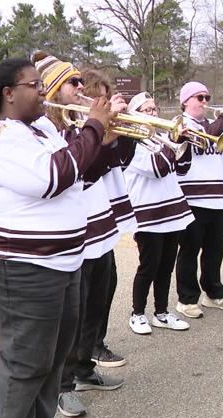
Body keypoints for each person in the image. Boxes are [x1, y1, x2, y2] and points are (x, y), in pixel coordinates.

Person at [0, 57, 119, 418]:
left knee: (52, 361)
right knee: (24, 366)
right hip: (22, 272)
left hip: (61, 267)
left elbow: (77, 177)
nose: (42, 91)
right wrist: (94, 127)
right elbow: (52, 177)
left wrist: (108, 141)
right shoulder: (0, 137)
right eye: (33, 85)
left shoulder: (40, 130)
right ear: (9, 94)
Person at [32, 52, 127, 418]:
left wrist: (111, 139)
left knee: (98, 303)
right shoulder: (52, 131)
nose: (80, 88)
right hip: (74, 234)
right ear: (56, 88)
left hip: (100, 227)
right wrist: (97, 135)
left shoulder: (80, 126)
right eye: (73, 83)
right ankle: (64, 384)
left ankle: (85, 367)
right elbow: (69, 174)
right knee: (73, 312)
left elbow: (97, 172)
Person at [124, 92, 195, 334]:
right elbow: (157, 168)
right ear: (135, 115)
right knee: (149, 266)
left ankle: (162, 312)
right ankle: (137, 313)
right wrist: (172, 143)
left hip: (172, 211)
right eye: (147, 110)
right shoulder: (132, 142)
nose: (154, 114)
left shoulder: (163, 138)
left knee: (166, 267)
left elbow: (182, 168)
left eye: (155, 109)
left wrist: (185, 143)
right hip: (148, 215)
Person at [174, 81, 223, 319]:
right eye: (199, 97)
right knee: (190, 250)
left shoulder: (214, 125)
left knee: (215, 250)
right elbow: (202, 143)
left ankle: (213, 293)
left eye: (206, 97)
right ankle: (186, 299)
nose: (205, 102)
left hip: (216, 198)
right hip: (192, 198)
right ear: (186, 101)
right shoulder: (183, 124)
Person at [79, 67, 132, 368]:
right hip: (83, 229)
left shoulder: (95, 132)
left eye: (105, 99)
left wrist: (119, 135)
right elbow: (85, 172)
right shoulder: (78, 133)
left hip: (103, 224)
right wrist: (104, 135)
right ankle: (77, 367)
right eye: (97, 99)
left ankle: (93, 351)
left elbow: (119, 161)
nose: (103, 105)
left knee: (105, 288)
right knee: (82, 301)